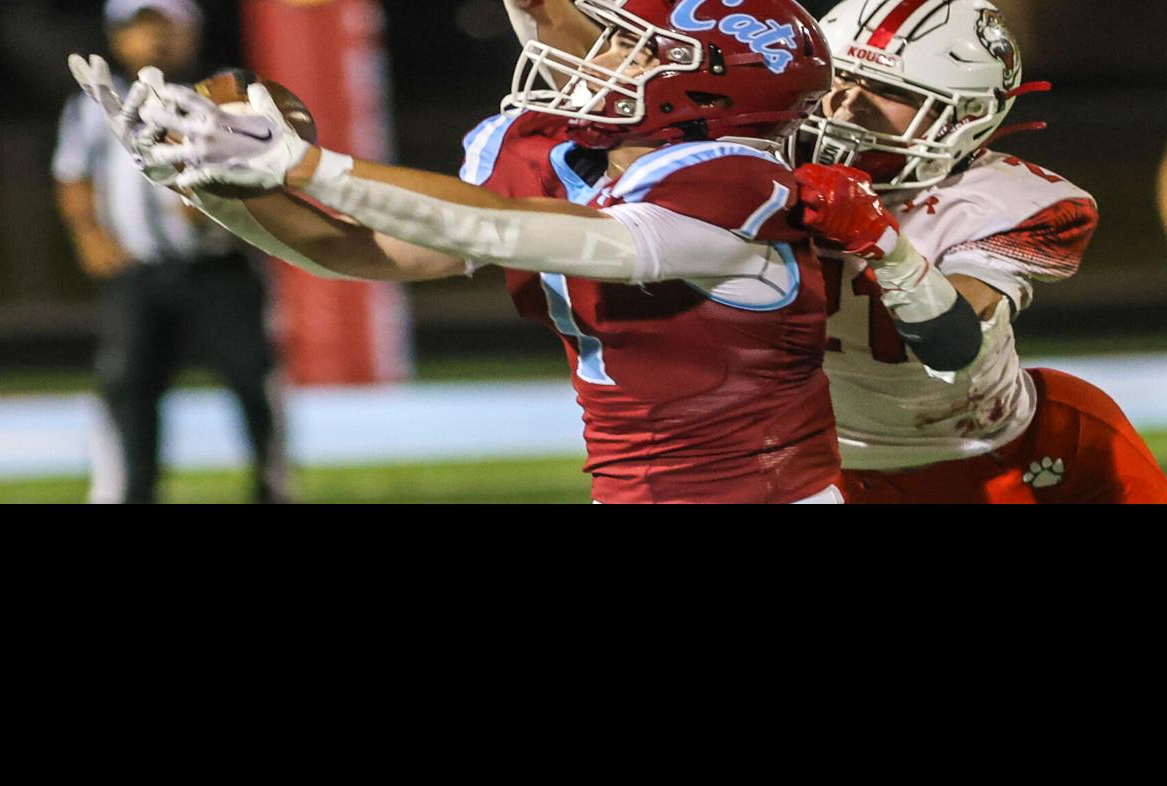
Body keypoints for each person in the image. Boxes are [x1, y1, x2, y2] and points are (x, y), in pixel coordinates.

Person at [80, 0, 842, 503]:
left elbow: (498, 229)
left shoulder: (737, 187)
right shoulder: (564, 157)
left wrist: (301, 166)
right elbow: (362, 252)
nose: (598, 58)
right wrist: (207, 181)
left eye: (630, 51)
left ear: (706, 92)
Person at [789, 0, 1167, 503]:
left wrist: (882, 243)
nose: (845, 105)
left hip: (1000, 458)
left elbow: (950, 344)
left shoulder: (1004, 200)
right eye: (839, 78)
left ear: (963, 118)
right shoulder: (748, 165)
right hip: (814, 464)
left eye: (888, 90)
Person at [54, 0, 289, 504]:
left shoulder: (227, 94)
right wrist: (88, 235)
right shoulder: (96, 101)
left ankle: (273, 485)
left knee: (253, 378)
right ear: (117, 37)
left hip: (220, 266)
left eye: (164, 27)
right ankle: (130, 490)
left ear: (192, 32)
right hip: (137, 270)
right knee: (126, 383)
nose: (153, 41)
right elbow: (72, 174)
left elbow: (273, 170)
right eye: (139, 29)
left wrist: (220, 196)